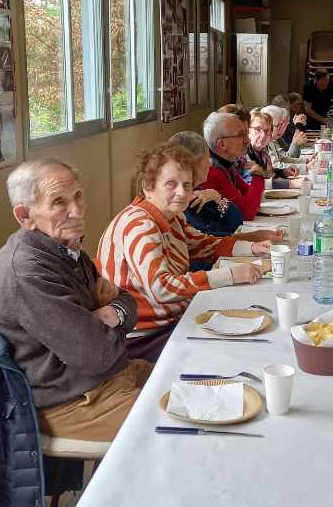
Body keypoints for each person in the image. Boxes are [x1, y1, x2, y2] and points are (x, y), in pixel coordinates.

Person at [0, 160, 148, 441]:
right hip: (72, 403)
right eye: (59, 202)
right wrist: (107, 321)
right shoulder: (27, 272)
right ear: (25, 216)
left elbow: (130, 305)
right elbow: (97, 356)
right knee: (188, 429)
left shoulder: (66, 248)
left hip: (111, 377)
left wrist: (111, 315)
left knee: (194, 381)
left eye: (78, 196)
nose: (77, 210)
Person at [97, 143, 269, 360]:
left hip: (172, 321)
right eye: (171, 184)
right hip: (142, 337)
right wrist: (232, 275)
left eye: (187, 185)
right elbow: (162, 288)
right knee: (237, 351)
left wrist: (254, 248)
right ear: (148, 187)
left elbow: (205, 245)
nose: (181, 193)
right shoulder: (140, 225)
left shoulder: (173, 217)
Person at [170, 130, 281, 242]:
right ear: (194, 163)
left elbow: (236, 222)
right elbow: (203, 241)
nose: (210, 163)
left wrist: (219, 199)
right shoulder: (182, 201)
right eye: (206, 158)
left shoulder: (201, 190)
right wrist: (249, 238)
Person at [204, 110, 266, 220]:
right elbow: (246, 212)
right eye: (240, 135)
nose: (247, 139)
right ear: (222, 144)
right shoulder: (212, 171)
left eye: (246, 133)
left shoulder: (227, 164)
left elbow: (251, 198)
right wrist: (258, 175)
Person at [246, 109, 304, 190]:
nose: (263, 135)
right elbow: (250, 182)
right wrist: (290, 183)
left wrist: (283, 172)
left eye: (266, 131)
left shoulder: (262, 152)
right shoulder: (244, 153)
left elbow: (265, 173)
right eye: (257, 130)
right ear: (248, 130)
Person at [262, 104, 307, 169]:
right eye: (278, 125)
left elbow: (283, 159)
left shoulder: (273, 138)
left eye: (283, 124)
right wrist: (295, 143)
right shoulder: (266, 139)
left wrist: (306, 162)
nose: (280, 128)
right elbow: (276, 165)